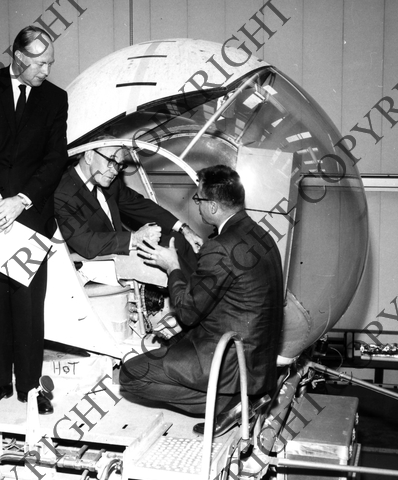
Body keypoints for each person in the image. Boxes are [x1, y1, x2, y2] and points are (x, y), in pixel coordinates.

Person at [120, 165, 284, 436]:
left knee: (131, 375)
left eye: (198, 198)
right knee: (170, 347)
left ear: (213, 207)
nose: (196, 205)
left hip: (229, 361)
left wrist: (171, 266)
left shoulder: (220, 247)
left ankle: (231, 403)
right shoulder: (262, 235)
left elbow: (187, 313)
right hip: (258, 363)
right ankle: (242, 397)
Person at [0, 26, 68, 415]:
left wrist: (20, 200)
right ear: (19, 58)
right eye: (39, 63)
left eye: (49, 62)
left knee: (28, 305)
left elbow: (55, 159)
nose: (45, 70)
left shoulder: (55, 99)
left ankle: (31, 387)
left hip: (29, 215)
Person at [53, 135, 203, 260]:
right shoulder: (63, 193)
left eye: (119, 165)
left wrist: (183, 229)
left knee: (180, 243)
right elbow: (86, 243)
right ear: (89, 156)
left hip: (120, 252)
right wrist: (135, 238)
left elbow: (140, 206)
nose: (115, 171)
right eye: (111, 162)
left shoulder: (109, 182)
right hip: (92, 264)